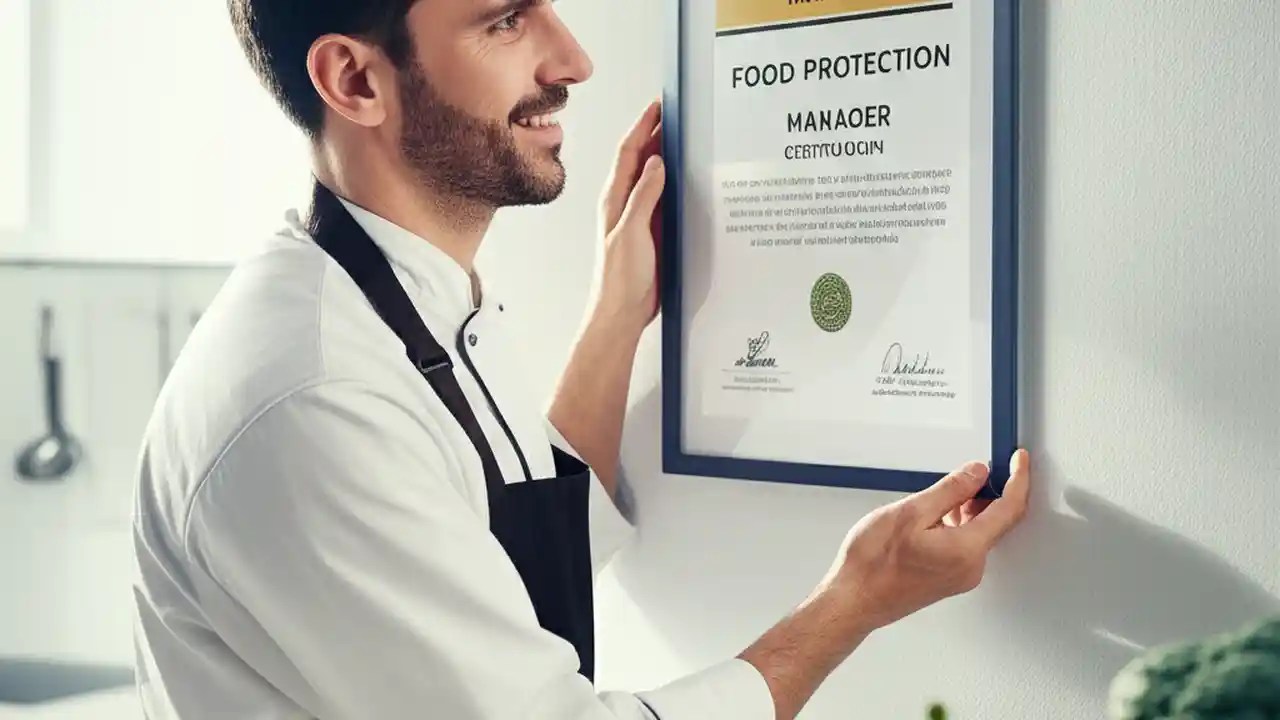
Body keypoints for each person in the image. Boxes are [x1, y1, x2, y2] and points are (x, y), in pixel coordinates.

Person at [130, 1, 1032, 718]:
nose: (572, 60)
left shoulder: (408, 308)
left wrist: (618, 314)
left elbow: (523, 555)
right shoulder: (316, 397)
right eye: (506, 20)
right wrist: (855, 603)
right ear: (356, 79)